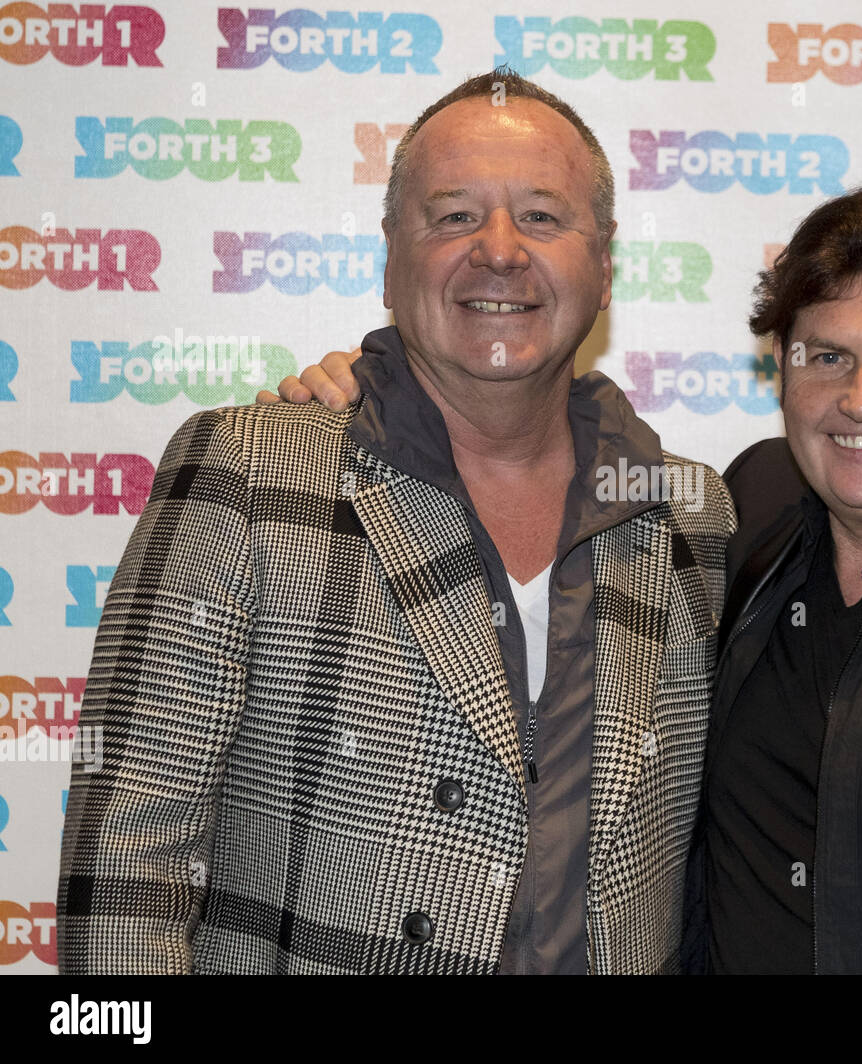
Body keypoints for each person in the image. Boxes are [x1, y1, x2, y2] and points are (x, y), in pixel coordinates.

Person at [283, 186, 862, 975]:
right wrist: (375, 395)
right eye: (825, 358)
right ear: (781, 375)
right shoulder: (747, 511)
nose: (861, 400)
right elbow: (533, 445)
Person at [57, 70, 734, 975]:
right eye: (454, 216)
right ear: (389, 255)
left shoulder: (694, 517)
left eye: (542, 216)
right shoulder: (248, 475)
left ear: (603, 264)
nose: (499, 251)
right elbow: (121, 885)